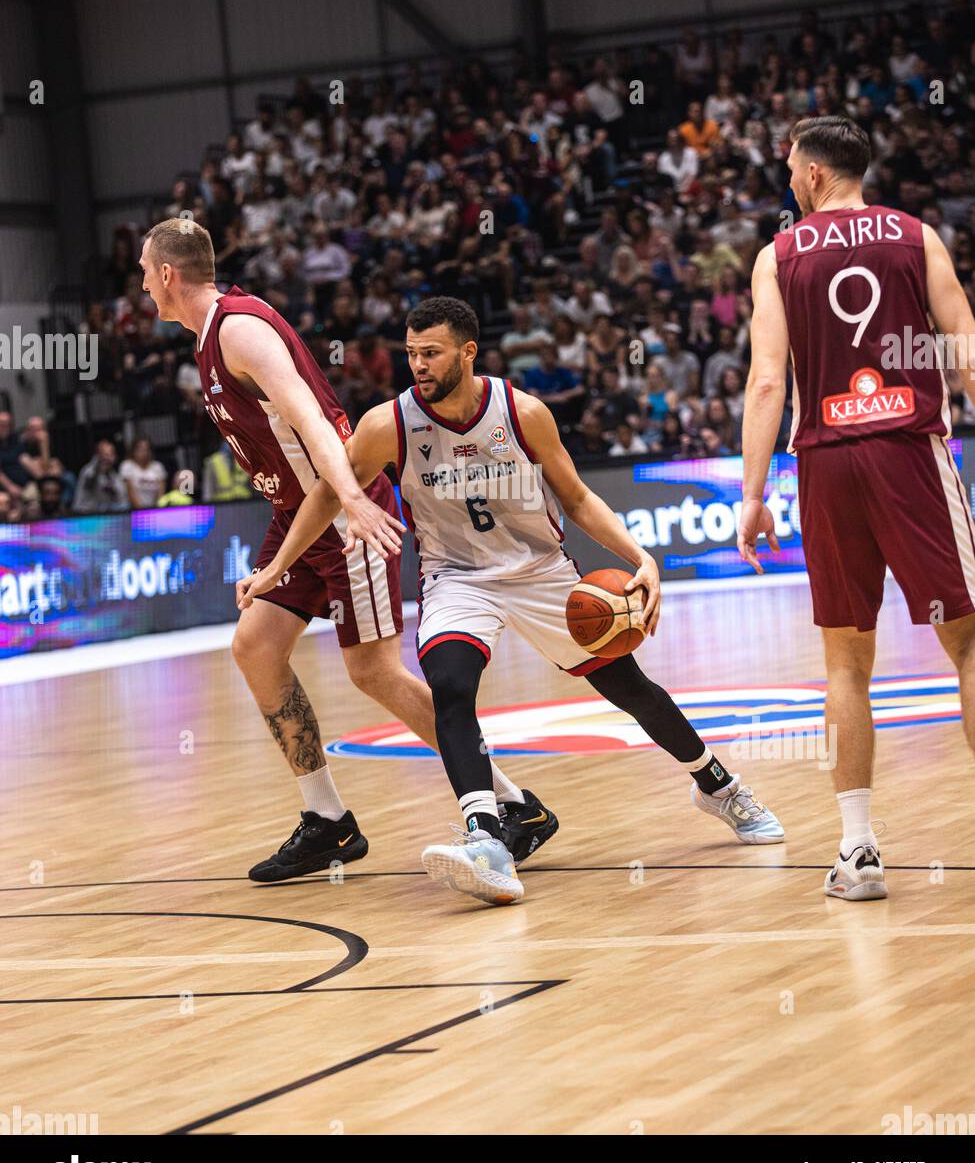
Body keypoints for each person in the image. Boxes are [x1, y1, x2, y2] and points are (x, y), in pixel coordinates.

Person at [242, 297, 783, 907]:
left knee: (629, 688)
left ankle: (716, 783)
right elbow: (326, 495)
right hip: (457, 578)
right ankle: (485, 837)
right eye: (412, 353)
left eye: (432, 353)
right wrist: (275, 568)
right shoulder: (386, 424)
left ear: (468, 352)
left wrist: (641, 558)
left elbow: (576, 499)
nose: (418, 365)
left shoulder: (523, 414)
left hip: (539, 572)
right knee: (448, 684)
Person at [139, 219, 536, 883]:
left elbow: (310, 416)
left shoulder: (239, 329)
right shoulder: (208, 339)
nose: (144, 283)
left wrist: (351, 496)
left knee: (372, 671)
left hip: (338, 508)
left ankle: (511, 804)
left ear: (169, 274)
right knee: (256, 648)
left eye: (147, 271)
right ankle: (328, 821)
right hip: (296, 513)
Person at [739, 115, 975, 903]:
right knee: (968, 645)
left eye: (787, 169)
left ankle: (858, 851)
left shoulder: (778, 256)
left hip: (826, 461)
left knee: (845, 659)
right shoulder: (915, 235)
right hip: (909, 448)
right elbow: (963, 341)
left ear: (809, 174)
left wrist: (750, 495)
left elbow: (767, 381)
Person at [73, 440, 128, 513]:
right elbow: (90, 479)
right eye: (104, 454)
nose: (107, 458)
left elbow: (122, 497)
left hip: (102, 513)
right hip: (84, 513)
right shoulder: (88, 471)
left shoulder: (113, 475)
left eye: (111, 455)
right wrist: (98, 459)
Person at [119, 437, 167, 509]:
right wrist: (142, 511)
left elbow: (161, 493)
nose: (144, 453)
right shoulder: (127, 465)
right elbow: (130, 492)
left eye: (147, 449)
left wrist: (158, 510)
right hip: (133, 510)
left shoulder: (157, 466)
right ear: (133, 451)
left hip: (155, 509)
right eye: (140, 449)